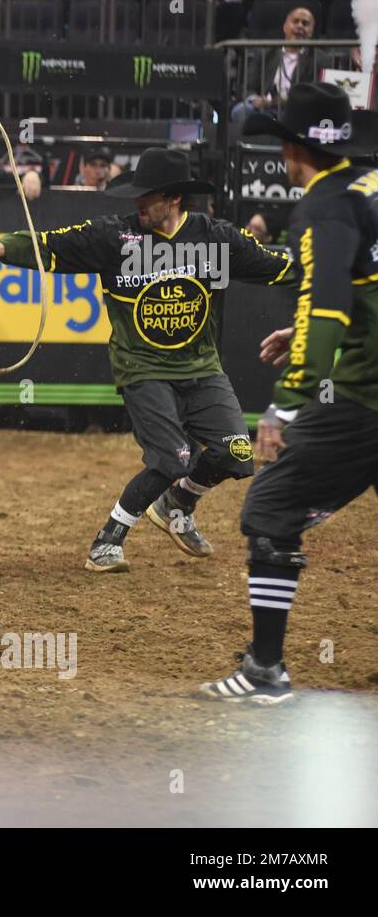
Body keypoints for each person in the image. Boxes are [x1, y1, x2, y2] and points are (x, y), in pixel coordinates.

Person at [0, 148, 295, 572]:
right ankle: (108, 539)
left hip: (202, 368)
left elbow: (280, 266)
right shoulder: (114, 236)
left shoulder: (217, 238)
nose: (137, 203)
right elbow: (51, 244)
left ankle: (179, 501)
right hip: (142, 367)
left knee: (237, 453)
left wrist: (336, 276)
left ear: (173, 199)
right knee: (171, 459)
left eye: (146, 196)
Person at [201, 83, 378, 703]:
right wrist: (302, 328)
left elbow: (328, 309)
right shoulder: (369, 189)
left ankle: (265, 670)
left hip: (363, 395)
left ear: (290, 149)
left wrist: (286, 402)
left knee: (271, 509)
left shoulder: (326, 206)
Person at [231, 7, 316, 127]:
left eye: (305, 23)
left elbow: (316, 94)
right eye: (295, 21)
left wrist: (289, 100)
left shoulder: (318, 58)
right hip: (265, 108)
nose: (300, 26)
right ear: (285, 27)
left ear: (311, 31)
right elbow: (248, 86)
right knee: (240, 111)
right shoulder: (265, 53)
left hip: (297, 110)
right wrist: (256, 99)